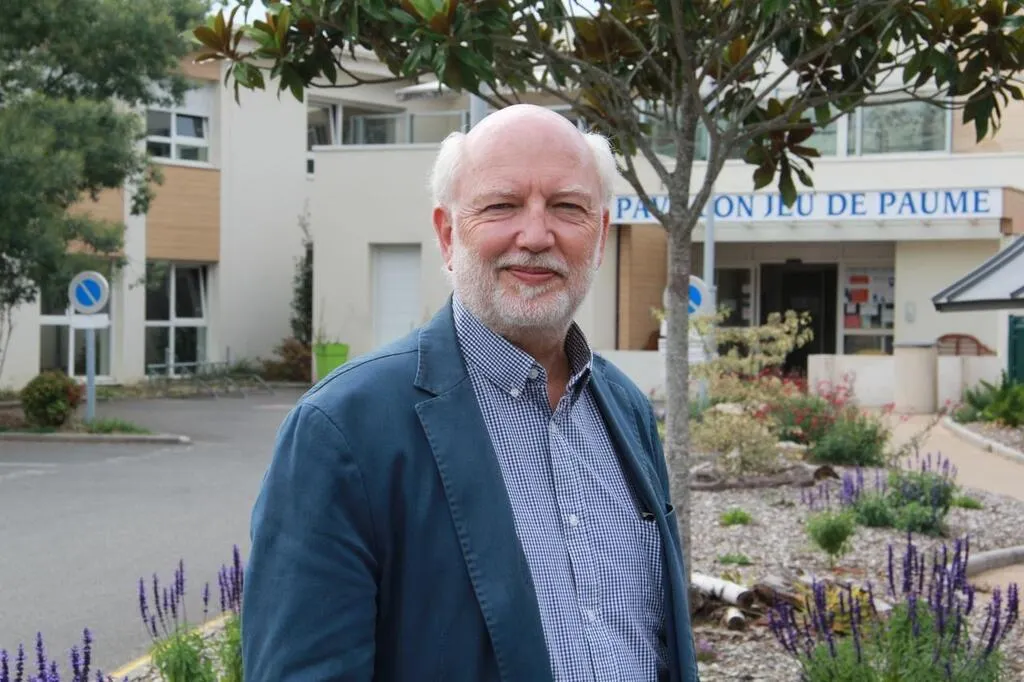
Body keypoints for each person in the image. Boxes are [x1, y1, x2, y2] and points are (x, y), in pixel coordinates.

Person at [242, 103, 700, 682]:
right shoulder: (342, 430)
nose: (536, 236)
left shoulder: (626, 410)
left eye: (567, 207)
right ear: (447, 233)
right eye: (501, 205)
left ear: (601, 233)